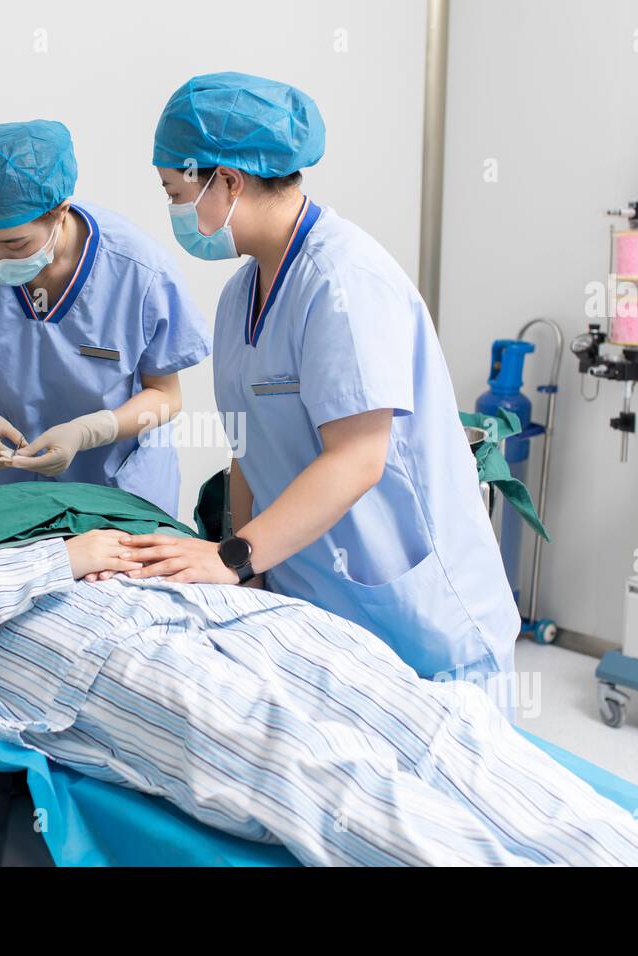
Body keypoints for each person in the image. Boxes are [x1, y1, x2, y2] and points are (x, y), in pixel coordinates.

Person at [0, 480, 638, 867]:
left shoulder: (44, 499)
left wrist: (111, 540)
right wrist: (58, 560)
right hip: (98, 661)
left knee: (432, 720)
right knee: (305, 766)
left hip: (231, 615)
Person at [124, 72, 518, 688]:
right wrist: (247, 572)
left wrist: (231, 559)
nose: (175, 209)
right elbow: (248, 451)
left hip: (414, 610)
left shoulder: (344, 282)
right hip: (313, 601)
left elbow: (357, 459)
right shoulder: (238, 298)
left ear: (227, 180)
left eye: (177, 191)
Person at [0, 119, 212, 516]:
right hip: (18, 488)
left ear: (59, 212)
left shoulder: (138, 271)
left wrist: (88, 432)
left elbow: (166, 396)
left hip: (121, 487)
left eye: (15, 243)